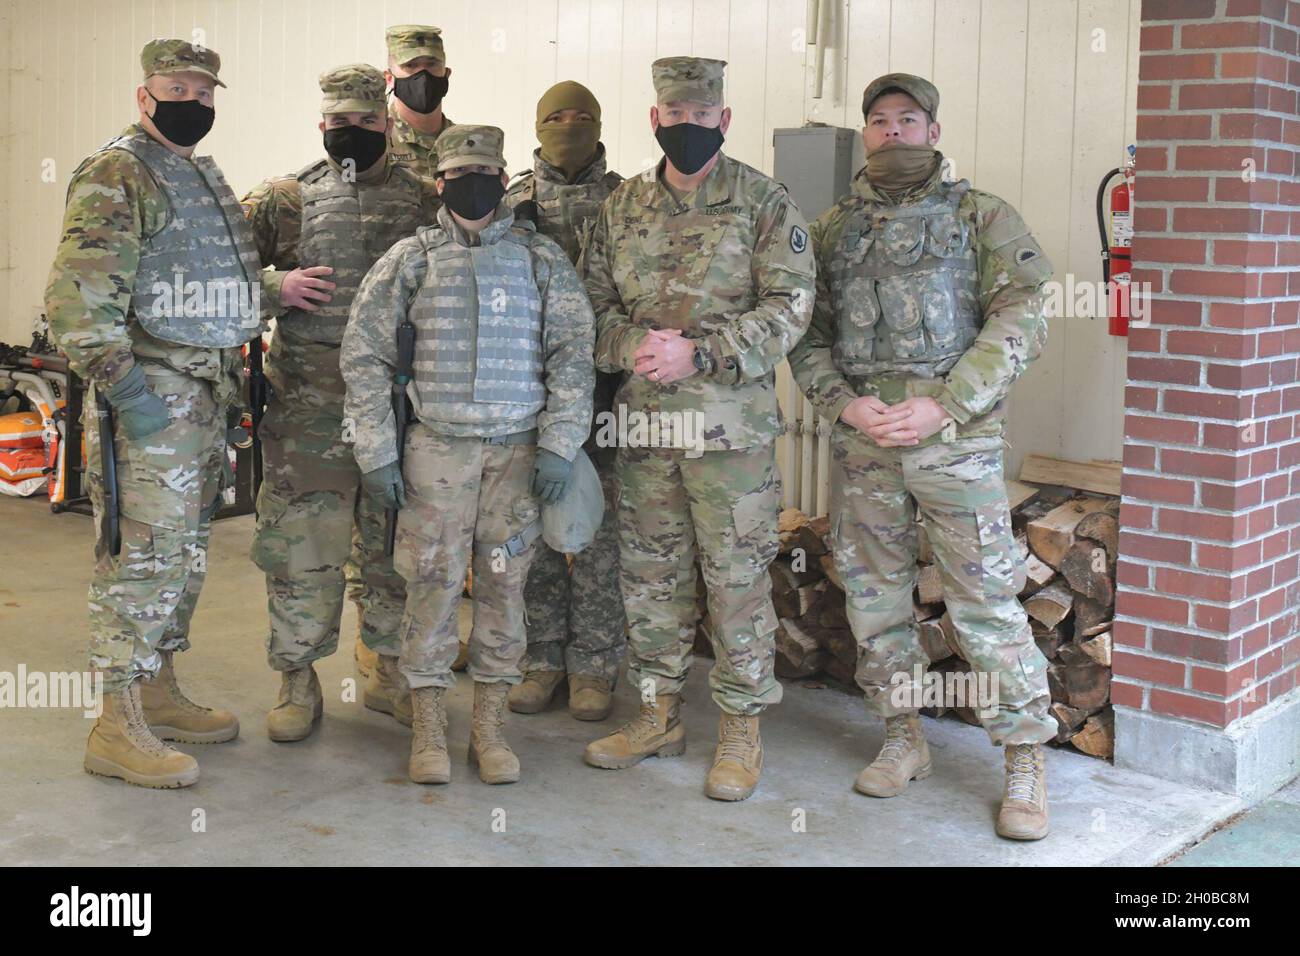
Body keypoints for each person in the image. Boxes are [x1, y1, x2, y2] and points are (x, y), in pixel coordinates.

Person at [787, 73, 1056, 840]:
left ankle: (1026, 757)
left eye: (909, 119)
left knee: (985, 605)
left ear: (934, 132)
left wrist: (949, 402)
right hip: (867, 445)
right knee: (875, 601)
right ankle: (904, 734)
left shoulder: (982, 218)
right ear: (866, 135)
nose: (894, 131)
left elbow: (1023, 313)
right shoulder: (832, 229)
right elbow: (804, 332)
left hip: (955, 447)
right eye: (879, 121)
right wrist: (843, 403)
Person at [580, 57, 815, 801]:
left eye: (700, 115)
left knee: (737, 583)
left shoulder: (764, 202)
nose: (688, 126)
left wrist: (701, 351)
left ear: (724, 119)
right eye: (673, 115)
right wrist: (635, 348)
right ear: (655, 120)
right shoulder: (621, 209)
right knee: (650, 579)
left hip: (728, 440)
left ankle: (742, 730)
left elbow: (791, 309)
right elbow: (591, 306)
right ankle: (658, 717)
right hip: (645, 433)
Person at [341, 126, 595, 785]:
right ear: (440, 183)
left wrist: (561, 445)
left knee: (506, 589)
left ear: (504, 178)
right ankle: (429, 733)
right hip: (436, 453)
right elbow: (364, 357)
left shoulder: (541, 260)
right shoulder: (410, 260)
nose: (473, 184)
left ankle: (489, 731)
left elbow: (573, 355)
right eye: (460, 173)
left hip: (516, 455)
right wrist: (378, 454)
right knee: (429, 586)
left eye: (485, 172)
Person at [45, 38, 262, 788]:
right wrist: (132, 400)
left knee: (183, 557)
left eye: (206, 92)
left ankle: (159, 690)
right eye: (179, 88)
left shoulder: (197, 171)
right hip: (152, 399)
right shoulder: (118, 170)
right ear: (145, 95)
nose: (194, 103)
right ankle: (115, 722)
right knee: (140, 560)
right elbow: (77, 306)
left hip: (203, 397)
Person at [240, 64, 438, 741]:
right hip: (307, 413)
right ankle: (298, 681)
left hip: (398, 412)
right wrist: (275, 288)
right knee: (302, 552)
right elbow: (213, 273)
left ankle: (386, 671)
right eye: (339, 123)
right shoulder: (284, 199)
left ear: (387, 122)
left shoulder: (424, 202)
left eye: (365, 122)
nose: (352, 133)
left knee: (393, 550)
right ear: (322, 123)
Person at [505, 80, 626, 722]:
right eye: (556, 116)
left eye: (583, 116)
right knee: (536, 527)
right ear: (537, 125)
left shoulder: (629, 201)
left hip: (611, 392)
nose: (569, 126)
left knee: (603, 532)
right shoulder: (508, 204)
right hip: (530, 394)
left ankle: (596, 667)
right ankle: (542, 658)